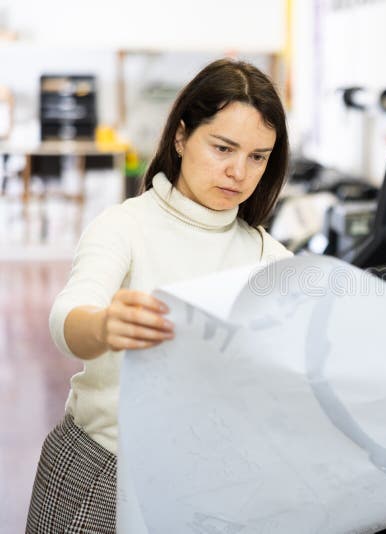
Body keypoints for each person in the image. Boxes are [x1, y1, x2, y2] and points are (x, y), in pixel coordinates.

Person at [26, 58, 292, 532]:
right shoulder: (125, 227)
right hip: (102, 470)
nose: (238, 171)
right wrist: (104, 325)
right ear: (181, 136)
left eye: (258, 157)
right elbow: (68, 318)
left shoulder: (272, 260)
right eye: (223, 147)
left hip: (207, 485)